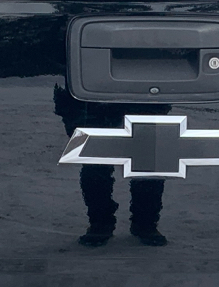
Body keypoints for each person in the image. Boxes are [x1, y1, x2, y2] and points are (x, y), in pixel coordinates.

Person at [53, 85, 168, 247]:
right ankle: (102, 223)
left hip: (139, 92)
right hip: (93, 95)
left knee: (145, 160)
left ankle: (143, 223)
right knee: (96, 164)